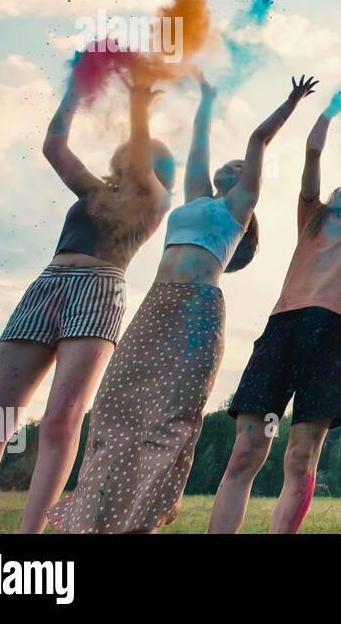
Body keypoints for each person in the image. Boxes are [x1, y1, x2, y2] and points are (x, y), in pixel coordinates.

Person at [47, 74, 316, 533]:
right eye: (226, 164)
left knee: (170, 420)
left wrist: (290, 101)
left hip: (197, 311)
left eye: (238, 166)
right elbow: (198, 145)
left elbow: (257, 139)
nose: (230, 166)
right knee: (113, 408)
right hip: (156, 303)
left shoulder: (238, 208)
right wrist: (208, 99)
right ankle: (93, 521)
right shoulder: (195, 199)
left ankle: (140, 524)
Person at [0, 76, 174, 534]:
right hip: (47, 284)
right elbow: (54, 145)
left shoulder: (156, 202)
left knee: (61, 418)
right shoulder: (93, 193)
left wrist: (140, 104)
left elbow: (144, 170)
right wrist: (74, 92)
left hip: (99, 289)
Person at [206, 75, 341, 534]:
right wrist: (330, 110)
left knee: (300, 459)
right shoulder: (310, 218)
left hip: (337, 334)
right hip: (285, 326)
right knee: (247, 451)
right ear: (328, 199)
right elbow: (314, 153)